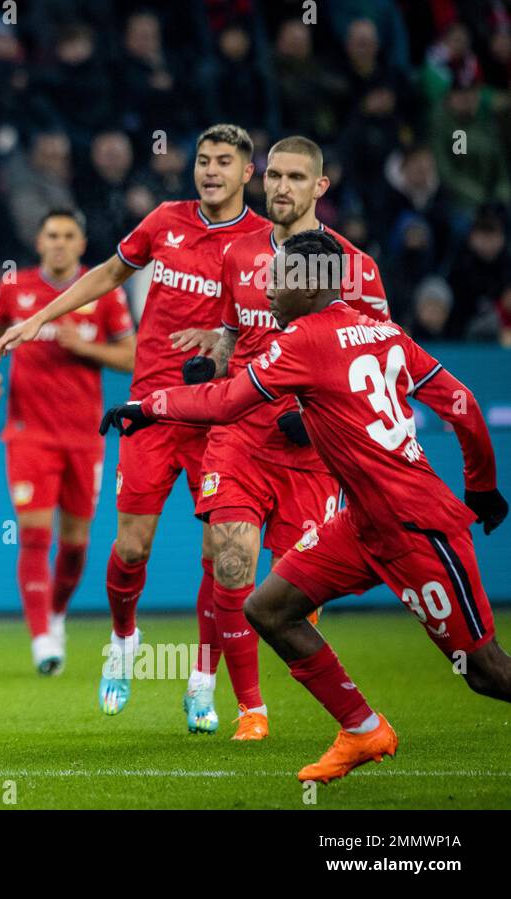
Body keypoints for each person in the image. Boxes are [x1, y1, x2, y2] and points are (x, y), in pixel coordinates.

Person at [100, 229, 509, 782]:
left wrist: (148, 406)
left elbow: (226, 403)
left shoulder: (303, 341)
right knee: (268, 608)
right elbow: (462, 405)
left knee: (485, 672)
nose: (266, 288)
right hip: (362, 521)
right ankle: (363, 730)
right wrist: (481, 485)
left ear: (309, 285)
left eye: (277, 277)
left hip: (414, 523)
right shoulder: (384, 332)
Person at [0, 124, 269, 730]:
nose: (211, 170)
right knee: (131, 548)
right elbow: (107, 276)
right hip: (150, 410)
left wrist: (227, 347)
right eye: (203, 160)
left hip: (220, 416)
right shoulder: (165, 221)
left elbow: (273, 325)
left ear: (248, 173)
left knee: (224, 557)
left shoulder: (263, 243)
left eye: (225, 162)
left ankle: (202, 681)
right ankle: (123, 642)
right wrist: (39, 316)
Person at [166, 135, 389, 740]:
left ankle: (258, 688)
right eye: (275, 176)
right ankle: (250, 710)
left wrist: (319, 412)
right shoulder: (239, 255)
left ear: (320, 187)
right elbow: (234, 336)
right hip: (240, 432)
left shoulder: (356, 266)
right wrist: (212, 365)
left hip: (315, 450)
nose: (282, 187)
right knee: (232, 556)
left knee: (293, 596)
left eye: (296, 177)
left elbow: (384, 356)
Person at [0, 209, 135, 673]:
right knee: (33, 535)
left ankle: (57, 612)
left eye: (69, 235)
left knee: (76, 544)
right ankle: (42, 636)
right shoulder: (15, 288)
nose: (60, 243)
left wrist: (82, 346)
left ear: (82, 244)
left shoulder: (104, 292)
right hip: (29, 435)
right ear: (39, 242)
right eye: (52, 235)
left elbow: (133, 356)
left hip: (85, 437)